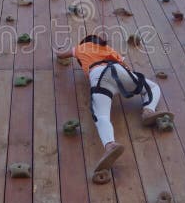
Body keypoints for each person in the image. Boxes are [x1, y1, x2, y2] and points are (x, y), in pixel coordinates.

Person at [55, 34, 162, 172]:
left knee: (102, 116)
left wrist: (56, 51)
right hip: (118, 70)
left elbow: (63, 54)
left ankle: (110, 145)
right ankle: (148, 110)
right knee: (152, 87)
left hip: (98, 75)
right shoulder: (109, 49)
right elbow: (127, 67)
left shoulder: (82, 47)